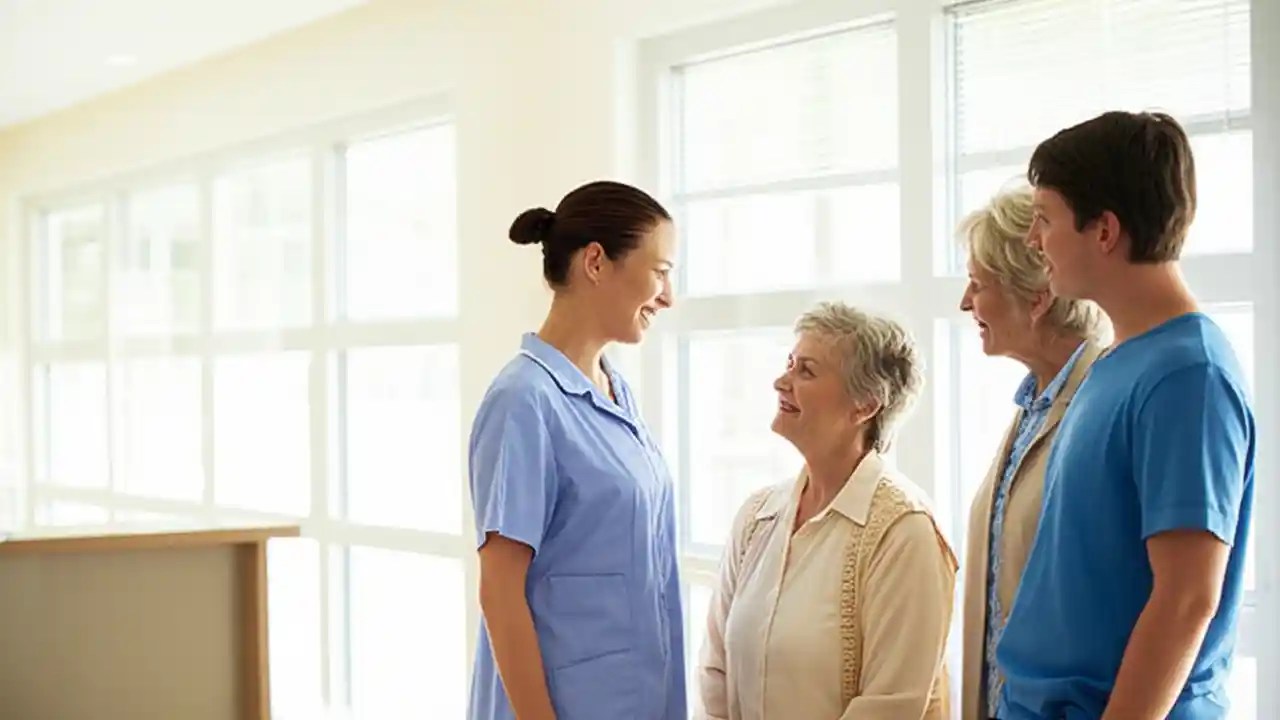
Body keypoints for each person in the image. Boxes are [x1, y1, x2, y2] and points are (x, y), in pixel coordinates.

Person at [996, 111, 1255, 720]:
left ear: (1104, 230)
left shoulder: (1191, 374)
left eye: (1045, 220)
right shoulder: (1115, 363)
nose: (1034, 240)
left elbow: (1187, 598)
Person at [467, 180, 685, 720]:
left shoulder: (616, 392)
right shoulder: (523, 400)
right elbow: (500, 591)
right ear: (595, 261)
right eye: (660, 272)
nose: (667, 296)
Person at [697, 301, 957, 720]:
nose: (781, 382)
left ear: (865, 405)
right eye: (789, 363)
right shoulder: (756, 516)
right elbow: (715, 674)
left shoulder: (906, 532)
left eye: (807, 371)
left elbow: (889, 707)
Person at [955, 186, 1108, 720]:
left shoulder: (1102, 404)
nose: (965, 302)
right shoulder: (1032, 407)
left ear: (1037, 296)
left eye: (978, 284)